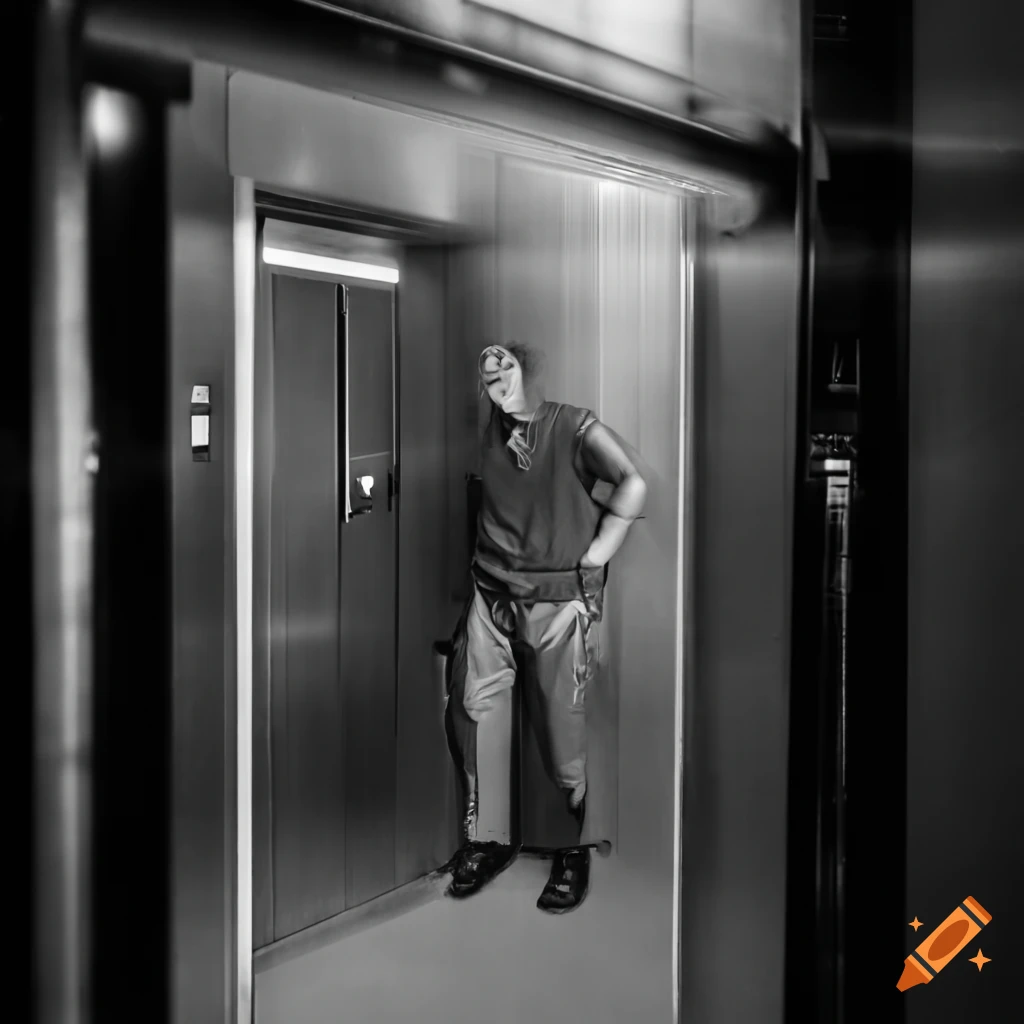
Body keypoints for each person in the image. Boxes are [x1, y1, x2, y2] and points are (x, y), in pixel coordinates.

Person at [444, 342, 647, 914]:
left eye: (505, 365)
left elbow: (632, 481)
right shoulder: (491, 426)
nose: (495, 377)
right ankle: (486, 839)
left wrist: (598, 553)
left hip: (559, 602)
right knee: (476, 711)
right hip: (492, 591)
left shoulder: (572, 426)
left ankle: (570, 850)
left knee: (563, 734)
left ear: (528, 371)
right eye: (487, 371)